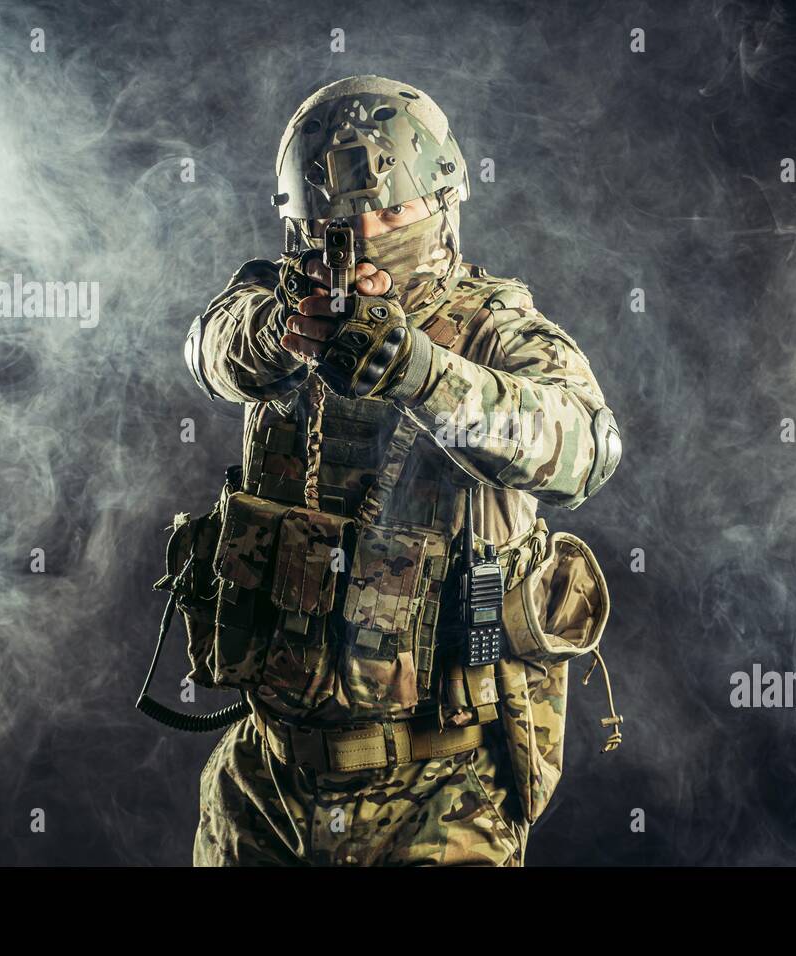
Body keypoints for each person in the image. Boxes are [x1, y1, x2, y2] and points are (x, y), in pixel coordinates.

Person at [184, 74, 622, 866]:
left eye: (391, 212)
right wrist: (283, 332)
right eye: (335, 219)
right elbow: (211, 347)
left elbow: (585, 448)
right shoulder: (277, 308)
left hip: (440, 790)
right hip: (266, 785)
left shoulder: (494, 326)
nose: (362, 231)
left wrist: (423, 372)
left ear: (443, 204)